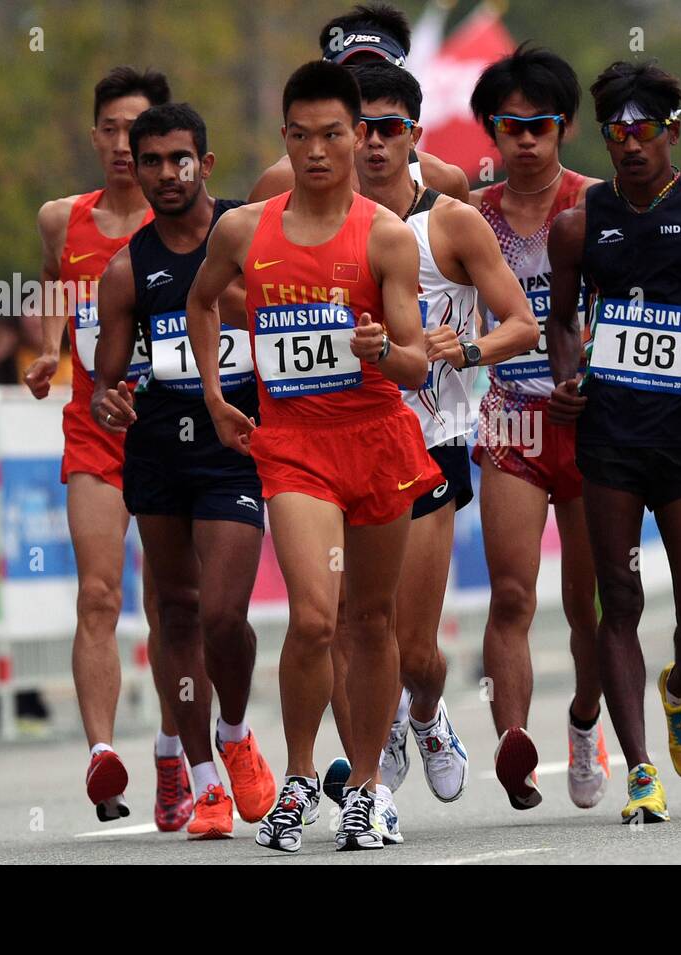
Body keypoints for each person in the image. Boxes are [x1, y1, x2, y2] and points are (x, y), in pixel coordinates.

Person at [187, 60, 439, 852]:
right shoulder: (244, 229)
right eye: (303, 137)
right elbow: (200, 300)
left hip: (377, 440)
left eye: (335, 134)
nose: (319, 151)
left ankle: (363, 786)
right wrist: (213, 393)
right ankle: (300, 776)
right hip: (293, 445)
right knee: (315, 614)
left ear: (361, 136)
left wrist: (380, 350)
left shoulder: (386, 236)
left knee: (372, 620)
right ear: (286, 138)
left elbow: (416, 365)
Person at [313, 62, 538, 840]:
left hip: (427, 445)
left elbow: (523, 325)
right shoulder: (313, 225)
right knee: (343, 623)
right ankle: (368, 785)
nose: (372, 144)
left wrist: (466, 349)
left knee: (410, 646)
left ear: (414, 134)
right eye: (359, 129)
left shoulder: (450, 222)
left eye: (388, 129)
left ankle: (428, 710)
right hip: (335, 445)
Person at [548, 61, 681, 824]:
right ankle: (638, 771)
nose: (630, 145)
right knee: (619, 599)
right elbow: (562, 320)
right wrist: (567, 377)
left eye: (646, 130)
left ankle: (679, 688)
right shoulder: (578, 222)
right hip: (610, 438)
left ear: (674, 130)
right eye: (616, 132)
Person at [92, 103, 277, 840]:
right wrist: (109, 399)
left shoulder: (251, 231)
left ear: (205, 159)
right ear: (134, 170)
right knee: (174, 612)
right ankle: (204, 776)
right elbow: (111, 375)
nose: (167, 174)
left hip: (235, 446)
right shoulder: (125, 270)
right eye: (152, 162)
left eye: (180, 159)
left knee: (226, 614)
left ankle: (236, 729)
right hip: (161, 450)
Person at [21, 66, 188, 827]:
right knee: (99, 593)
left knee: (169, 604)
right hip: (95, 427)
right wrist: (46, 350)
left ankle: (171, 750)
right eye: (113, 130)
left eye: (140, 132)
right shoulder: (63, 217)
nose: (126, 145)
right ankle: (101, 754)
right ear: (96, 137)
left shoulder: (191, 224)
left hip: (170, 429)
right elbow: (55, 287)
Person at [467, 45, 608, 812]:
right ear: (492, 129)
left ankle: (585, 719)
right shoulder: (471, 212)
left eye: (540, 126)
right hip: (511, 423)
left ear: (566, 128)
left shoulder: (598, 204)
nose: (524, 140)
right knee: (512, 594)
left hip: (589, 425)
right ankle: (514, 746)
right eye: (509, 126)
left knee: (587, 599)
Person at [246, 3, 469, 204]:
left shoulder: (443, 180)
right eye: (349, 75)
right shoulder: (284, 180)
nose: (363, 85)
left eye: (378, 72)